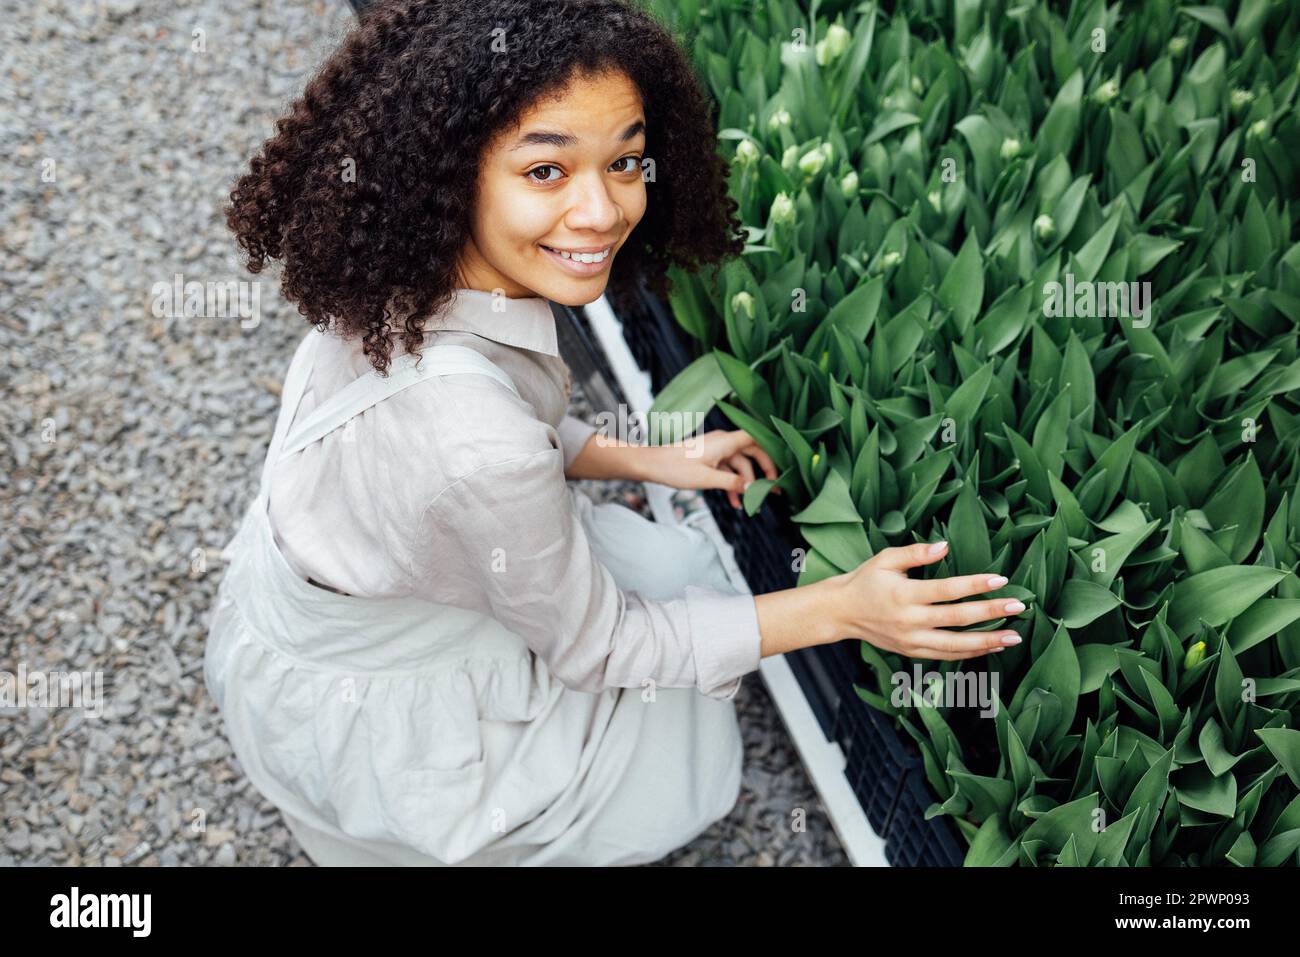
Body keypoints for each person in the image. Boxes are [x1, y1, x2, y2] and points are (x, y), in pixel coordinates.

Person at [203, 0, 1024, 867]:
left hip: (298, 631)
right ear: (452, 174)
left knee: (659, 572)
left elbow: (473, 446)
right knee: (660, 687)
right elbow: (602, 643)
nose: (601, 210)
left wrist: (646, 456)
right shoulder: (475, 441)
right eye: (547, 171)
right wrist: (844, 607)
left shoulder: (387, 292)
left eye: (625, 160)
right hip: (377, 710)